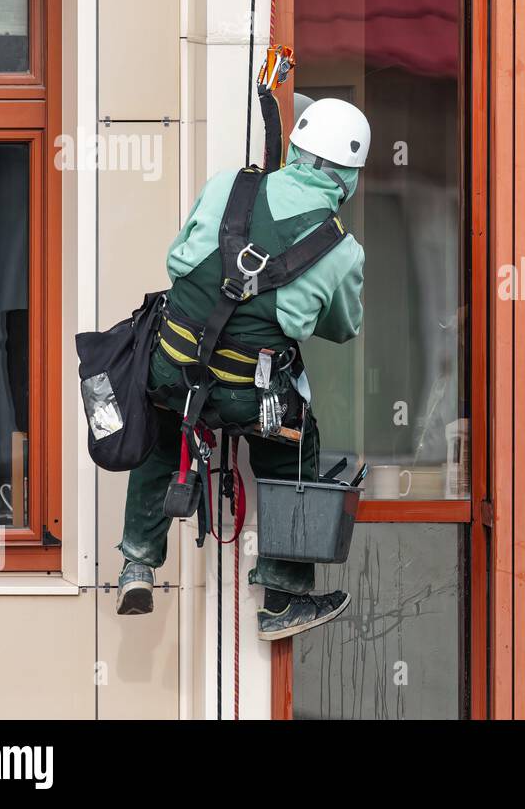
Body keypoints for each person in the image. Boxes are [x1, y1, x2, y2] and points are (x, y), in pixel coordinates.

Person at [116, 49, 369, 640]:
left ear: (298, 150)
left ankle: (137, 562)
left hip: (169, 366)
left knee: (162, 428)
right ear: (348, 175)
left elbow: (179, 257)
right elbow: (341, 327)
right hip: (249, 398)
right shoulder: (341, 250)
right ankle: (283, 596)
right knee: (294, 445)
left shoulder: (230, 185)